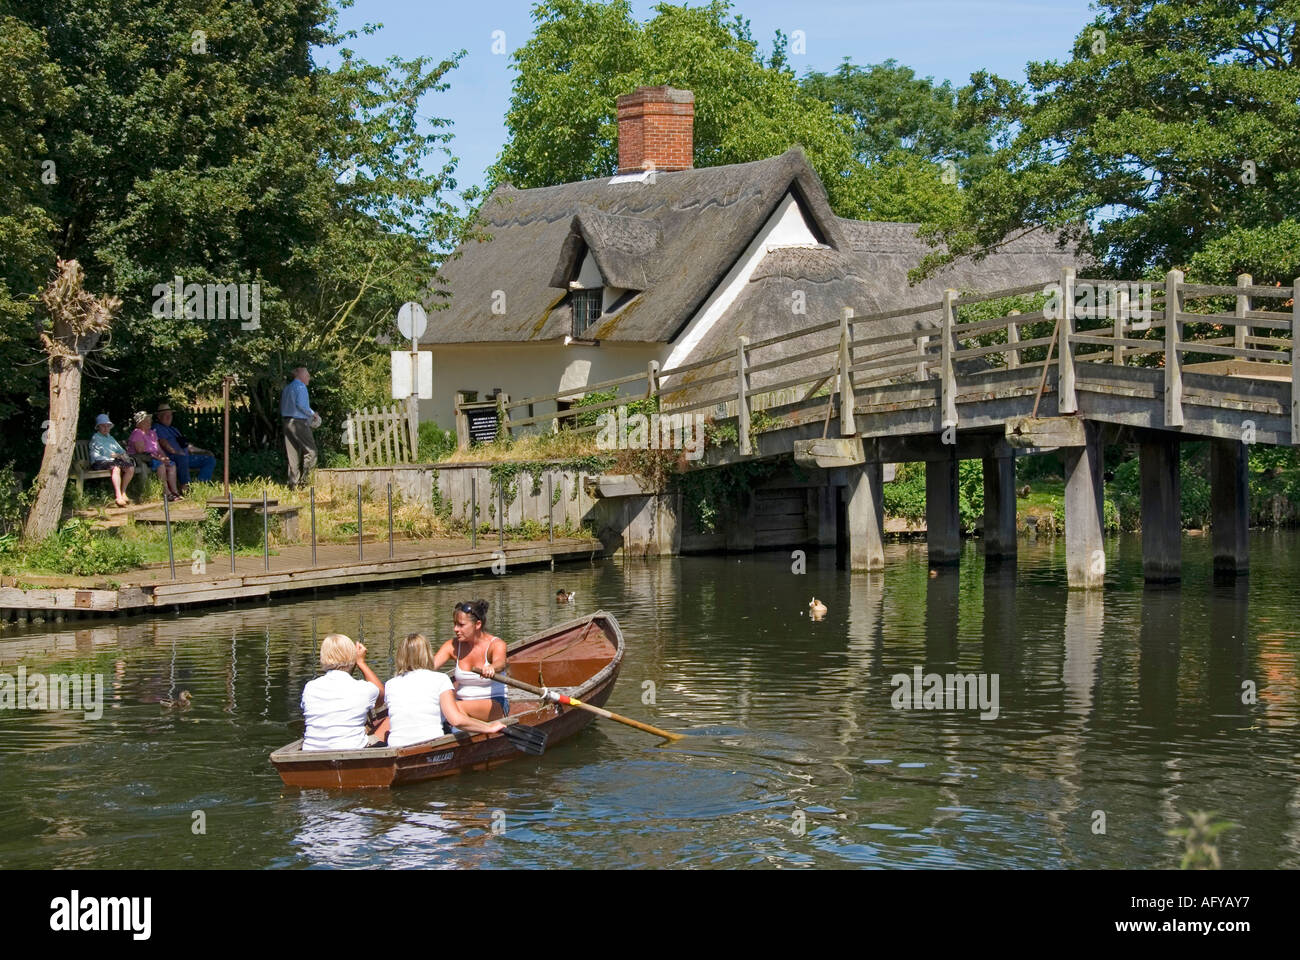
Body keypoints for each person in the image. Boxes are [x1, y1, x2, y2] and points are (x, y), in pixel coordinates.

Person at [385, 633, 506, 748]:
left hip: (395, 745)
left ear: (400, 656)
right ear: (428, 654)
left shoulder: (390, 684)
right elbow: (456, 720)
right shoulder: (441, 679)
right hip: (430, 744)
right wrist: (489, 728)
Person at [301, 633, 386, 751]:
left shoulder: (309, 687)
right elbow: (382, 697)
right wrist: (361, 663)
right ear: (353, 657)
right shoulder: (363, 689)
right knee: (390, 718)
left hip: (311, 751)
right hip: (354, 749)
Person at [433, 600, 510, 721]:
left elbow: (500, 663)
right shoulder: (452, 646)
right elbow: (428, 667)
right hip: (461, 704)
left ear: (477, 624)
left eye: (461, 625)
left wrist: (491, 668)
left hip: (495, 704)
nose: (455, 629)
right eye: (454, 624)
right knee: (443, 708)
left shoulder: (496, 644)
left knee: (452, 709)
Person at [153, 403, 215, 495]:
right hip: (171, 456)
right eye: (165, 415)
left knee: (209, 459)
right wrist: (175, 452)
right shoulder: (158, 427)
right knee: (182, 457)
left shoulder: (174, 429)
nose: (168, 417)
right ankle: (185, 487)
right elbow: (163, 443)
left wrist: (204, 451)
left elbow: (187, 446)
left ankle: (200, 485)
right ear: (159, 417)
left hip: (184, 456)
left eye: (170, 414)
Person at [127, 411, 182, 501]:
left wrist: (165, 457)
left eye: (149, 421)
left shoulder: (152, 433)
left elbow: (158, 448)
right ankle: (166, 492)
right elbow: (141, 451)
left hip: (155, 458)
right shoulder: (137, 433)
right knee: (161, 465)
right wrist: (160, 459)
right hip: (143, 459)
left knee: (171, 465)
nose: (149, 423)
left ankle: (175, 491)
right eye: (146, 421)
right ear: (139, 423)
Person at [280, 366, 320, 489]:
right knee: (311, 451)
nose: (309, 378)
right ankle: (306, 483)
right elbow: (302, 405)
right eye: (307, 375)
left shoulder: (287, 388)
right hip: (298, 422)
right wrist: (313, 415)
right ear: (301, 375)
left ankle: (293, 483)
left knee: (292, 453)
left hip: (287, 422)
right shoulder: (301, 387)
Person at [88, 413, 135, 507]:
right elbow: (106, 454)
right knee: (116, 468)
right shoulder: (95, 438)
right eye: (103, 426)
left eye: (108, 426)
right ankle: (118, 496)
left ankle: (123, 492)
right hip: (99, 461)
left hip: (112, 461)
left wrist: (121, 454)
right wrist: (117, 455)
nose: (106, 428)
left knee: (130, 468)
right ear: (98, 427)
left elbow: (120, 450)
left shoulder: (110, 438)